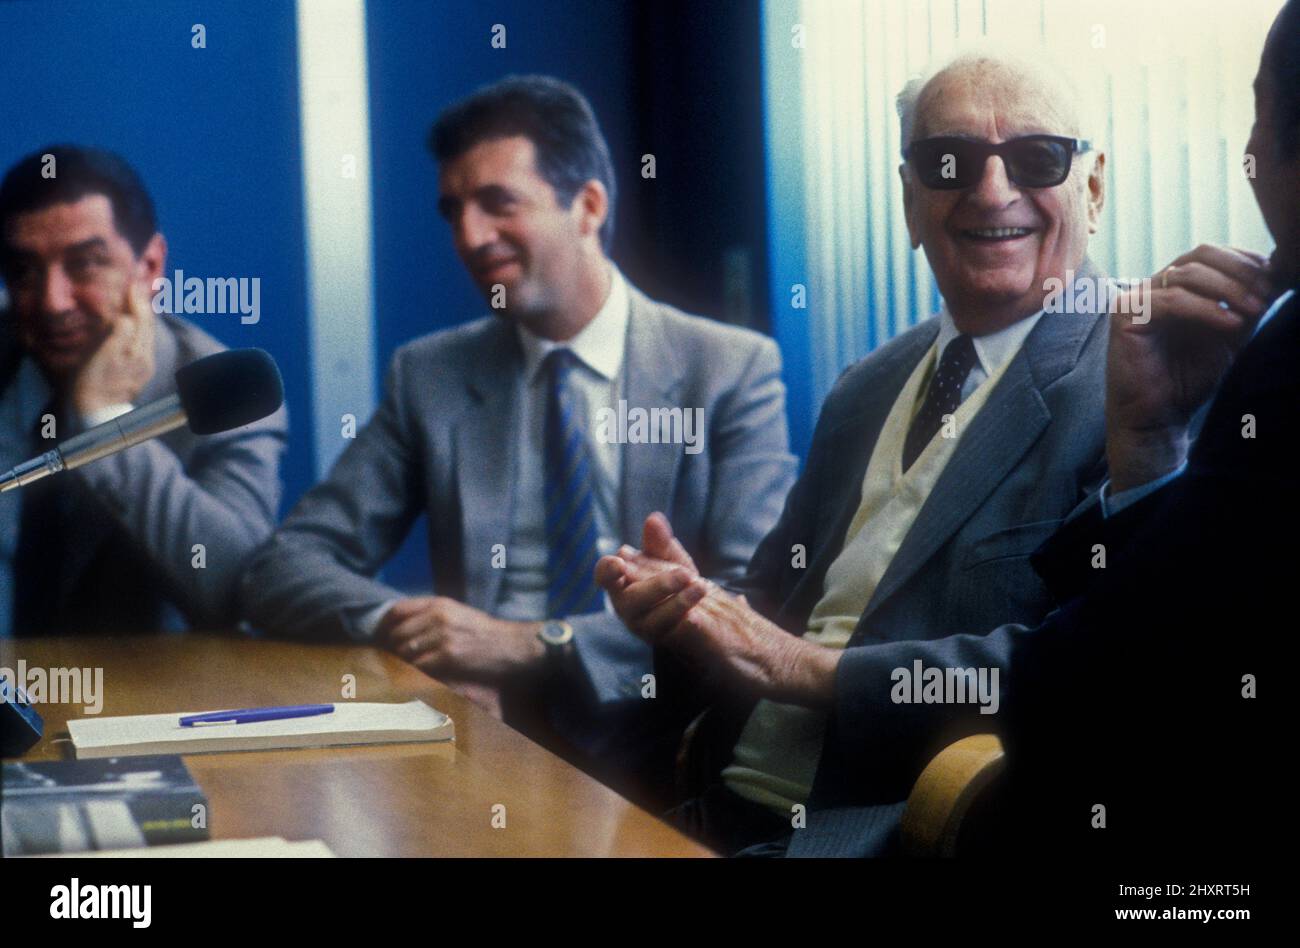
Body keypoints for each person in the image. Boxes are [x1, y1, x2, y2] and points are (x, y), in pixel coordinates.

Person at [598, 48, 1115, 855]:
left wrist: (808, 671)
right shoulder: (866, 386)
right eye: (949, 162)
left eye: (1035, 158)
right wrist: (684, 613)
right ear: (910, 203)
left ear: (1093, 187)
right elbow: (764, 617)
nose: (991, 191)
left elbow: (1097, 669)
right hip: (705, 799)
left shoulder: (1142, 385)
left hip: (873, 833)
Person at [240, 76, 796, 797]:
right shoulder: (431, 375)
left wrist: (531, 647)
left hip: (660, 737)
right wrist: (416, 625)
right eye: (453, 211)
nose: (469, 238)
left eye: (498, 203)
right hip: (471, 736)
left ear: (588, 205)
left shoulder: (728, 368)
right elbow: (283, 569)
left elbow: (752, 603)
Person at [0, 145, 287, 637]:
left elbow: (233, 589)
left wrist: (104, 418)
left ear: (150, 266)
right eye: (25, 272)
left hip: (141, 700)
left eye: (85, 264)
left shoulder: (219, 393)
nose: (52, 302)